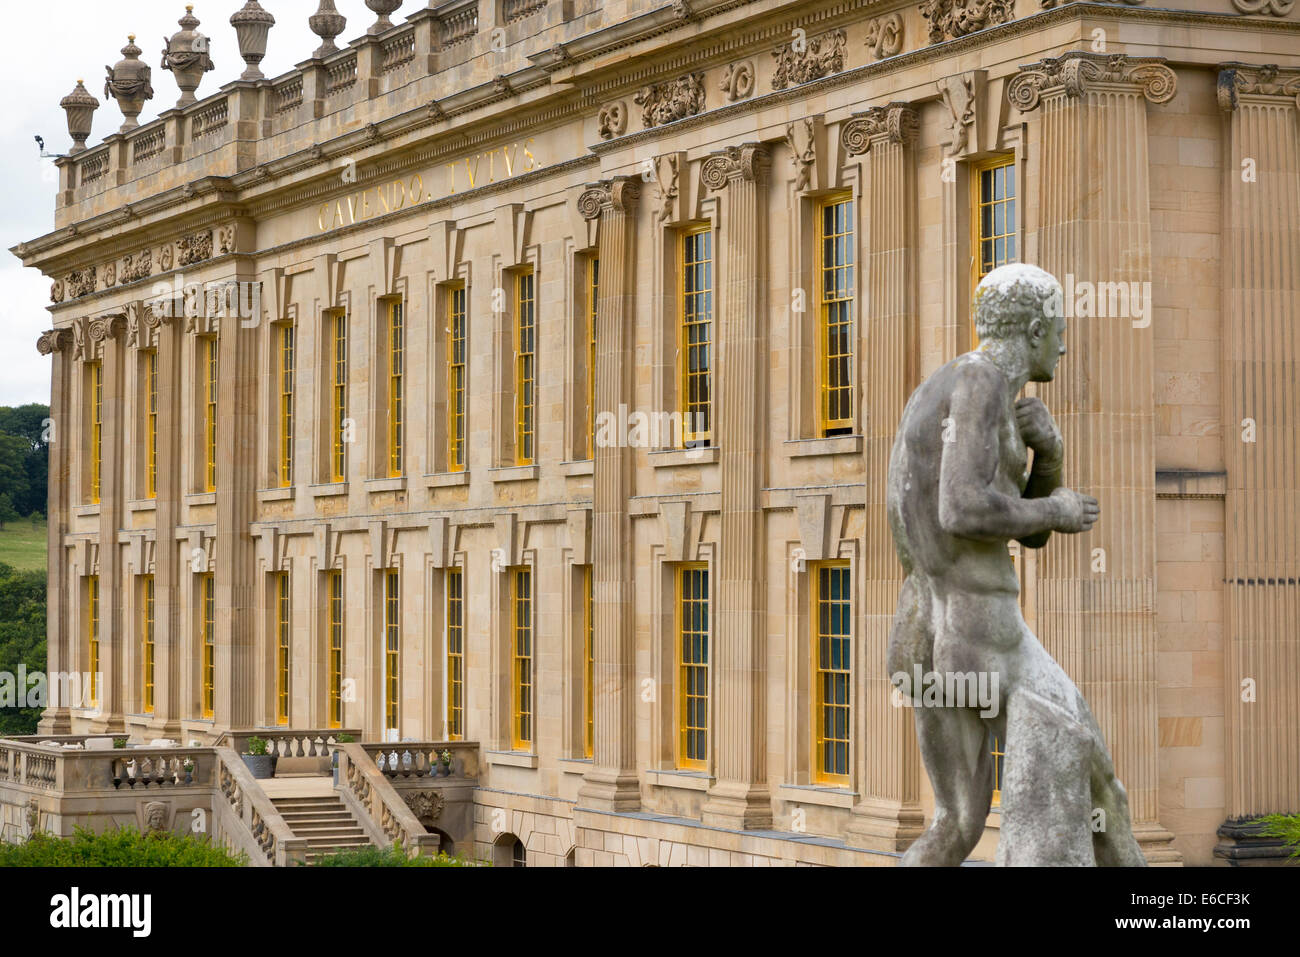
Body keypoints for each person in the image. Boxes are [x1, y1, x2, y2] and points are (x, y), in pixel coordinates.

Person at [886, 262, 1145, 866]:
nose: (1063, 342)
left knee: (957, 823)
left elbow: (1009, 529)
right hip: (983, 636)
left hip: (930, 636)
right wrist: (1055, 508)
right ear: (1033, 330)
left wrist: (1047, 457)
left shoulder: (959, 387)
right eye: (1057, 329)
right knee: (1104, 791)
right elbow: (963, 510)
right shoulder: (978, 384)